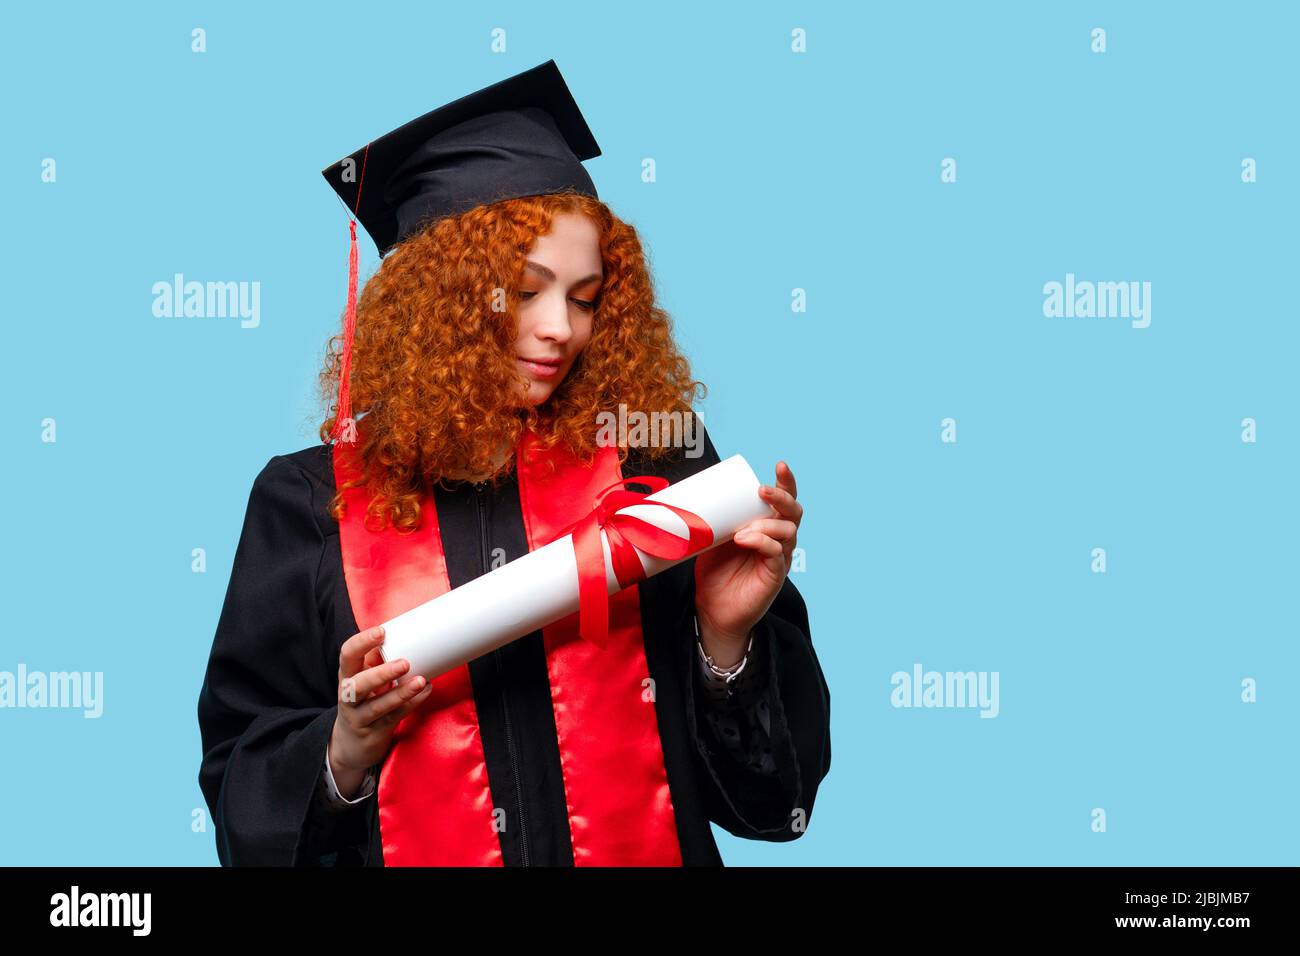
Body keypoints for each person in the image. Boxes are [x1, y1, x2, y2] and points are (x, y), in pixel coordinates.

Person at [196, 59, 830, 866]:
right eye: (525, 291)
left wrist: (725, 644)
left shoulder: (657, 465)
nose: (561, 327)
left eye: (585, 295)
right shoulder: (311, 503)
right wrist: (345, 747)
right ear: (441, 302)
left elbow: (779, 808)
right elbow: (242, 810)